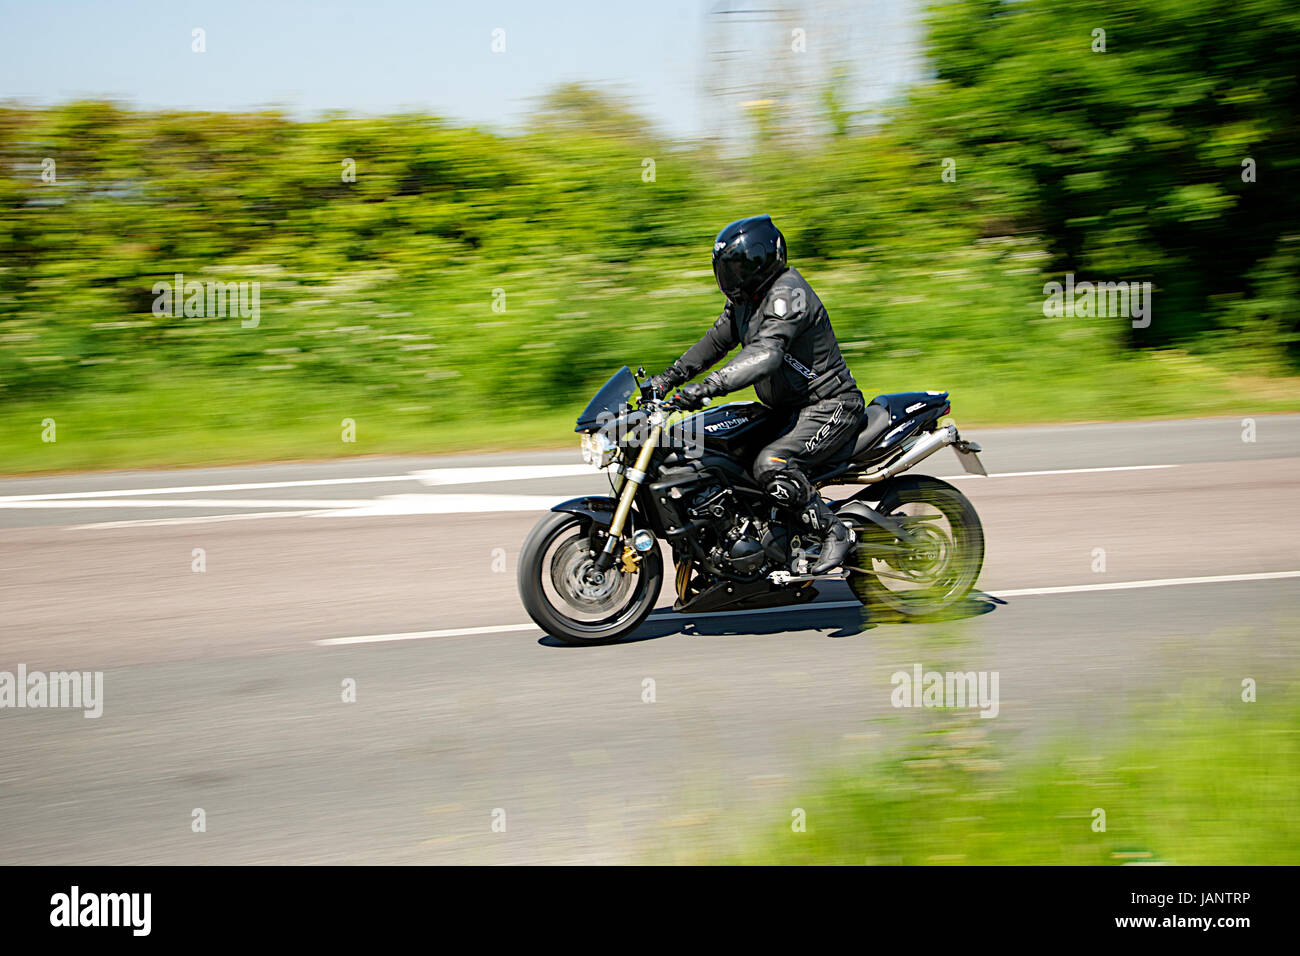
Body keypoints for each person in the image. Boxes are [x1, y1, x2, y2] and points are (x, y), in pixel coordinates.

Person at [649, 215, 864, 574]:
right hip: (787, 409)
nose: (728, 276)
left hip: (830, 405)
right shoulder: (747, 301)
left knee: (771, 463)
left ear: (758, 261)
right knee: (722, 448)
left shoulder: (788, 293)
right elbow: (714, 342)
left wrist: (707, 387)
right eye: (724, 268)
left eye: (735, 267)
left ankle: (834, 531)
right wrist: (667, 379)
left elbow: (766, 354)